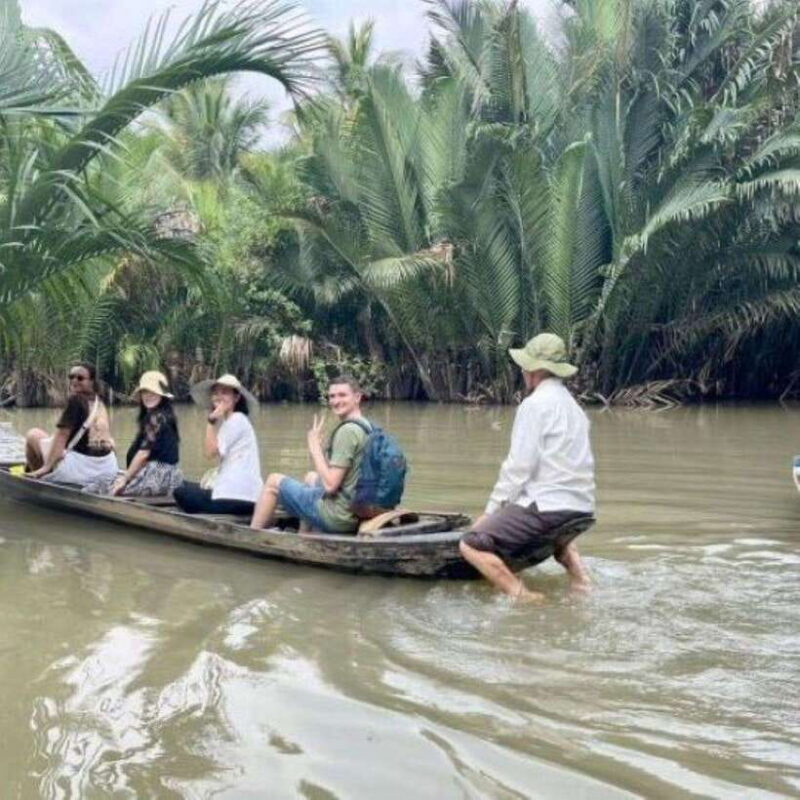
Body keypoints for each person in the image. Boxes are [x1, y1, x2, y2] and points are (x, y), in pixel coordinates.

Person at [459, 333, 595, 601]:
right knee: (558, 537)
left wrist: (488, 514)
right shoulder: (574, 408)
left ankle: (523, 597)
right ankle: (583, 585)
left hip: (549, 508)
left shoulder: (534, 405)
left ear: (534, 370)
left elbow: (518, 468)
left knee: (471, 544)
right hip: (582, 507)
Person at [250, 375, 368, 533]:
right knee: (311, 477)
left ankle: (252, 535)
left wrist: (314, 448)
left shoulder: (347, 432)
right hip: (356, 508)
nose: (336, 401)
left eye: (342, 395)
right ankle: (304, 536)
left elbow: (331, 486)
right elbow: (342, 475)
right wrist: (320, 449)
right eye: (332, 396)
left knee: (273, 482)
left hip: (339, 516)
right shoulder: (366, 426)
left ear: (357, 397)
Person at [173, 374, 262, 514]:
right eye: (215, 393)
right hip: (242, 496)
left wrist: (211, 422)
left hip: (238, 498)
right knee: (184, 484)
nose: (218, 397)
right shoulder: (234, 421)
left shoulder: (236, 420)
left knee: (180, 492)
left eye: (225, 393)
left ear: (236, 398)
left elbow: (209, 453)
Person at [85, 371, 183, 497]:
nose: (148, 396)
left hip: (155, 479)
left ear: (162, 396)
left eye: (153, 392)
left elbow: (143, 453)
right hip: (172, 479)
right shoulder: (166, 415)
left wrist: (125, 479)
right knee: (109, 479)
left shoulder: (155, 418)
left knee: (95, 486)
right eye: (145, 392)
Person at [24, 362, 118, 487]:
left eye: (80, 378)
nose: (74, 380)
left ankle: (40, 481)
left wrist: (46, 467)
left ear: (91, 381)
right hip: (108, 469)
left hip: (80, 471)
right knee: (48, 438)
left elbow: (62, 436)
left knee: (33, 435)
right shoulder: (99, 402)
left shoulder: (75, 400)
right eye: (71, 377)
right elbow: (109, 441)